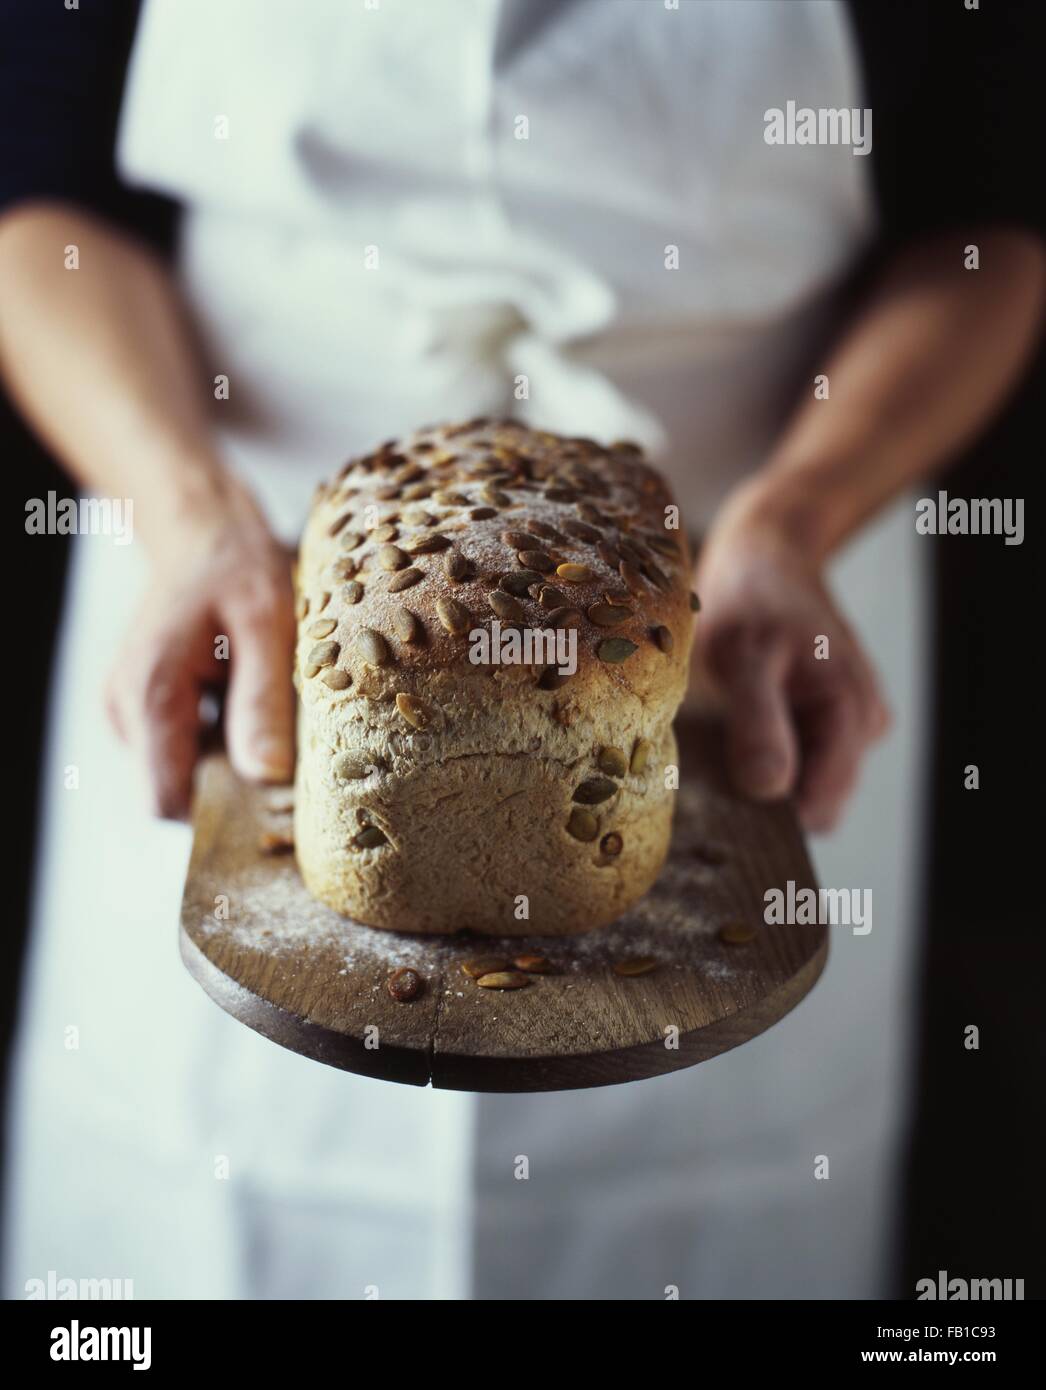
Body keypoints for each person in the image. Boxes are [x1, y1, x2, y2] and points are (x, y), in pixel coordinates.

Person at [2, 0, 1042, 1299]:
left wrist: (798, 512)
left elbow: (986, 218)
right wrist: (182, 503)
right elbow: (38, 185)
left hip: (736, 579)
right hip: (245, 555)